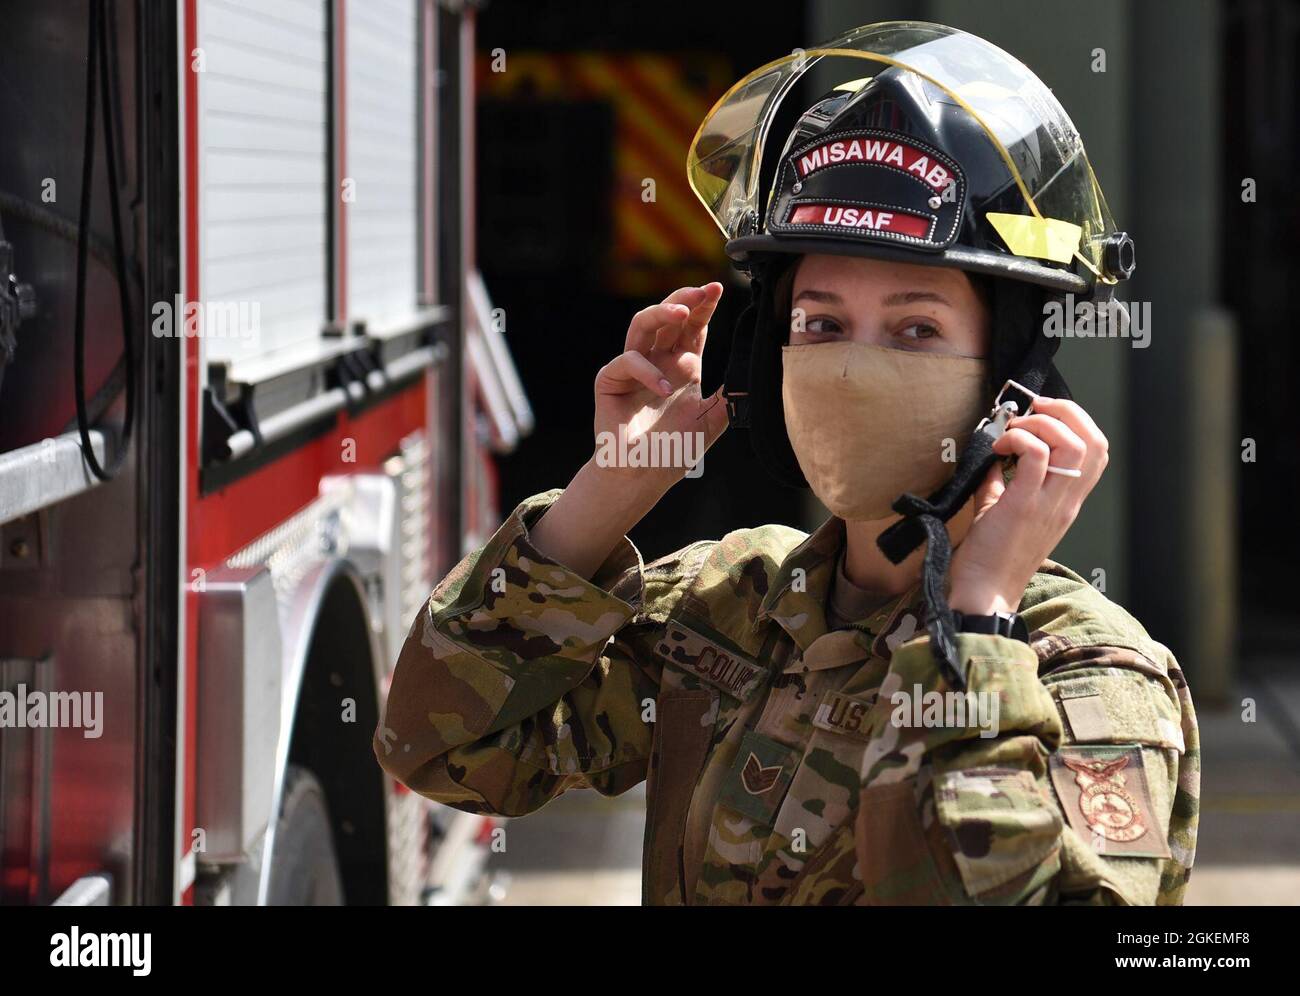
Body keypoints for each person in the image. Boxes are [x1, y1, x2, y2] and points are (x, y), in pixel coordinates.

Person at [374, 22, 1199, 905]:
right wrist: (608, 492)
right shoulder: (726, 605)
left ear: (1011, 381)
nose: (849, 365)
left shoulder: (1091, 672)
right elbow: (446, 752)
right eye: (820, 324)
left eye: (916, 329)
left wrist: (976, 622)